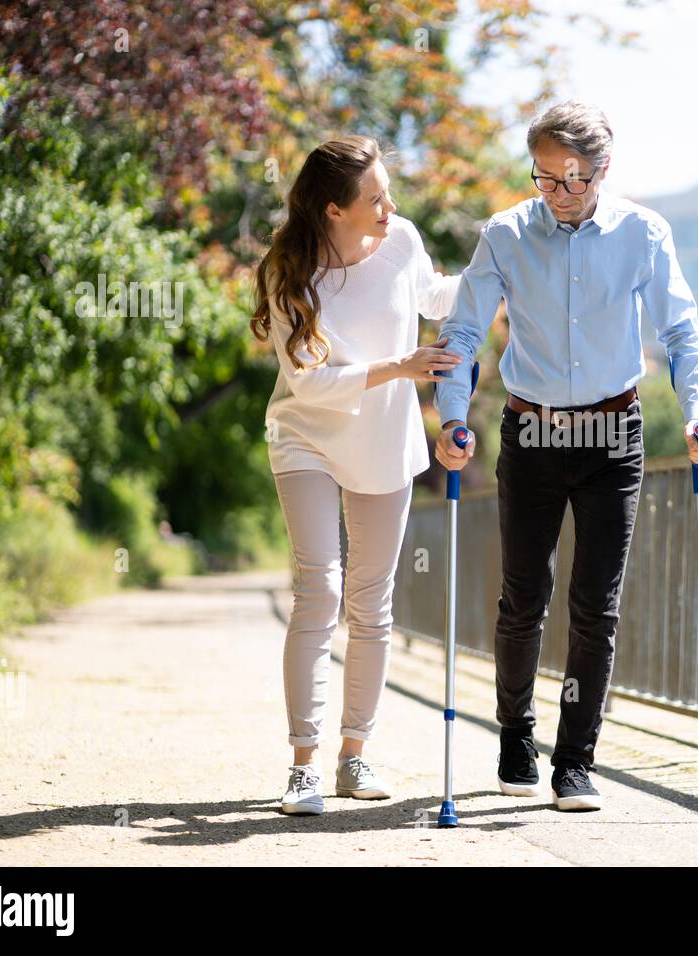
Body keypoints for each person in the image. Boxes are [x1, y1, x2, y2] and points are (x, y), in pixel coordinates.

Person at [432, 100, 698, 811]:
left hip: (612, 435)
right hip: (531, 432)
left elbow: (682, 333)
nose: (560, 196)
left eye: (575, 181)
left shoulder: (643, 234)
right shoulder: (503, 234)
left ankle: (576, 763)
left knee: (596, 606)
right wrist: (450, 418)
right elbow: (463, 334)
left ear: (603, 172)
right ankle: (514, 733)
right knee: (522, 598)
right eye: (545, 180)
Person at [251, 135, 462, 815]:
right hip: (306, 435)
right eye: (374, 198)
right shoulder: (290, 274)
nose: (389, 206)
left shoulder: (399, 240)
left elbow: (437, 297)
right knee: (320, 591)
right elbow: (310, 384)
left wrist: (504, 263)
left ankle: (354, 754)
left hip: (382, 442)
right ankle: (304, 765)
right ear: (335, 210)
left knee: (371, 603)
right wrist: (402, 367)